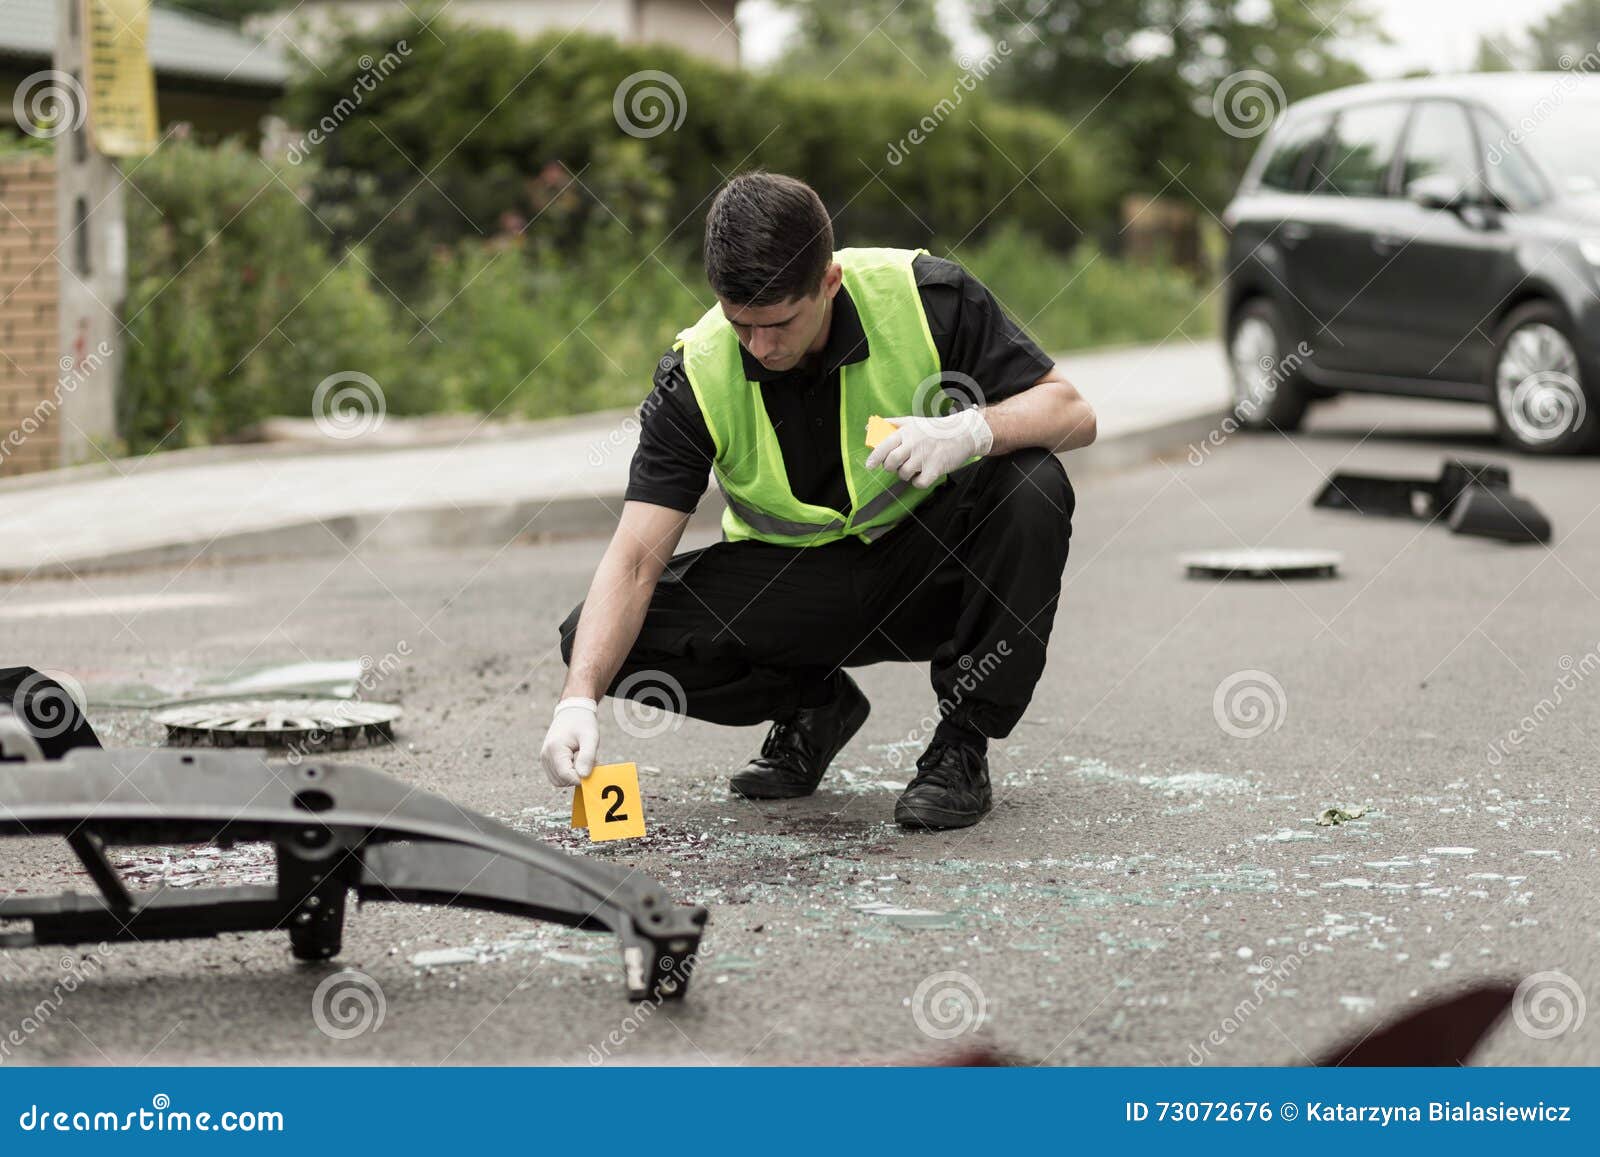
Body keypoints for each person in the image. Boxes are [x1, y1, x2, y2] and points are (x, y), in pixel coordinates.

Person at [540, 172, 1095, 830]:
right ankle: (816, 706)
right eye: (741, 323)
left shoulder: (924, 298)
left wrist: (971, 430)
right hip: (796, 590)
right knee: (591, 641)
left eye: (778, 324)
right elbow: (634, 560)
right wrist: (578, 700)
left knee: (1033, 482)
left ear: (828, 283)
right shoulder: (697, 374)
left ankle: (961, 745)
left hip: (925, 574)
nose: (761, 347)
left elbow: (1074, 412)